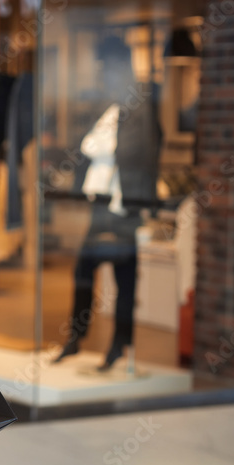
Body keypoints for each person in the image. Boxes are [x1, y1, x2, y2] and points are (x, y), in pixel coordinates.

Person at [55, 35, 161, 371]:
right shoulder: (110, 108)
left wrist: (141, 201)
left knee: (124, 279)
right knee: (84, 271)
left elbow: (142, 152)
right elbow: (89, 148)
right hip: (101, 208)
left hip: (122, 208)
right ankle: (77, 338)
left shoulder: (139, 106)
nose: (102, 75)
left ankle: (119, 344)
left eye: (107, 68)